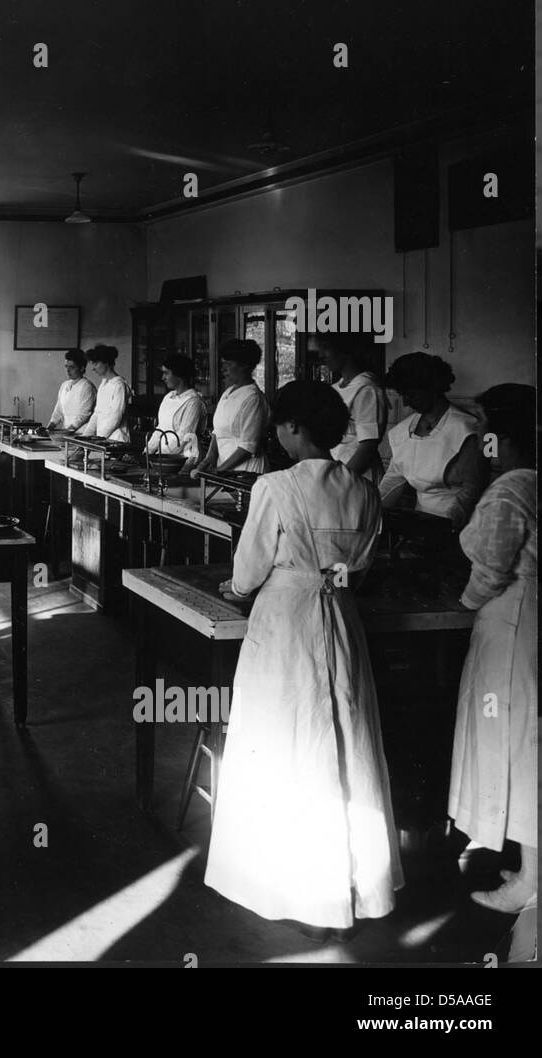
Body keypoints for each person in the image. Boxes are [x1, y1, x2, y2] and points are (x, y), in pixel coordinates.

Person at [207, 381, 402, 938]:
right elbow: (359, 567)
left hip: (287, 618)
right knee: (345, 737)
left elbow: (247, 571)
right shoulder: (363, 490)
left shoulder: (275, 485)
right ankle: (355, 887)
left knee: (286, 739)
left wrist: (240, 588)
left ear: (293, 428)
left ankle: (294, 885)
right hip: (340, 614)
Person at [446, 383, 536, 917]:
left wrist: (466, 601)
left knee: (518, 749)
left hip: (516, 623)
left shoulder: (511, 488)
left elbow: (492, 566)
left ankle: (532, 883)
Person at [380, 352, 485, 526]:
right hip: (422, 524)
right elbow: (393, 480)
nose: (405, 402)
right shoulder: (403, 431)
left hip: (460, 525)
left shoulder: (468, 429)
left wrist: (446, 528)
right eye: (402, 394)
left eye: (410, 394)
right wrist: (371, 511)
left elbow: (472, 490)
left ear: (431, 387)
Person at [316, 333, 388, 483]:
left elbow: (367, 447)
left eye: (326, 348)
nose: (321, 355)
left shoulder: (366, 389)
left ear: (345, 350)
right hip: (336, 473)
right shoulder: (335, 388)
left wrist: (341, 481)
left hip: (357, 478)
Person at [195, 339, 270, 474]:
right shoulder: (228, 393)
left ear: (245, 365)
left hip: (246, 472)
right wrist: (208, 459)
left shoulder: (253, 398)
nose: (223, 369)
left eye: (228, 364)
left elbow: (248, 447)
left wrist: (218, 471)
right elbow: (217, 433)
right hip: (226, 470)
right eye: (223, 364)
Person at [147, 353, 205, 465]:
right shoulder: (169, 397)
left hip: (183, 460)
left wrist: (160, 456)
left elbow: (184, 436)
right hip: (163, 459)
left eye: (166, 373)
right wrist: (148, 451)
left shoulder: (193, 401)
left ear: (179, 374)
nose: (162, 378)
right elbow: (160, 428)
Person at [85, 345, 133, 442]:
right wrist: (85, 437)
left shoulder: (119, 385)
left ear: (106, 363)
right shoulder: (104, 384)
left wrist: (99, 438)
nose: (93, 368)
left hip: (116, 439)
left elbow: (115, 417)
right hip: (102, 439)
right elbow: (97, 413)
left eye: (95, 364)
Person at [46, 348, 96, 434]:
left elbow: (84, 415)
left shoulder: (87, 387)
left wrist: (66, 432)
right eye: (66, 366)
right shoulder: (64, 385)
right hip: (67, 433)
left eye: (72, 367)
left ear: (81, 368)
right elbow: (58, 411)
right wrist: (48, 428)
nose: (68, 370)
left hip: (81, 434)